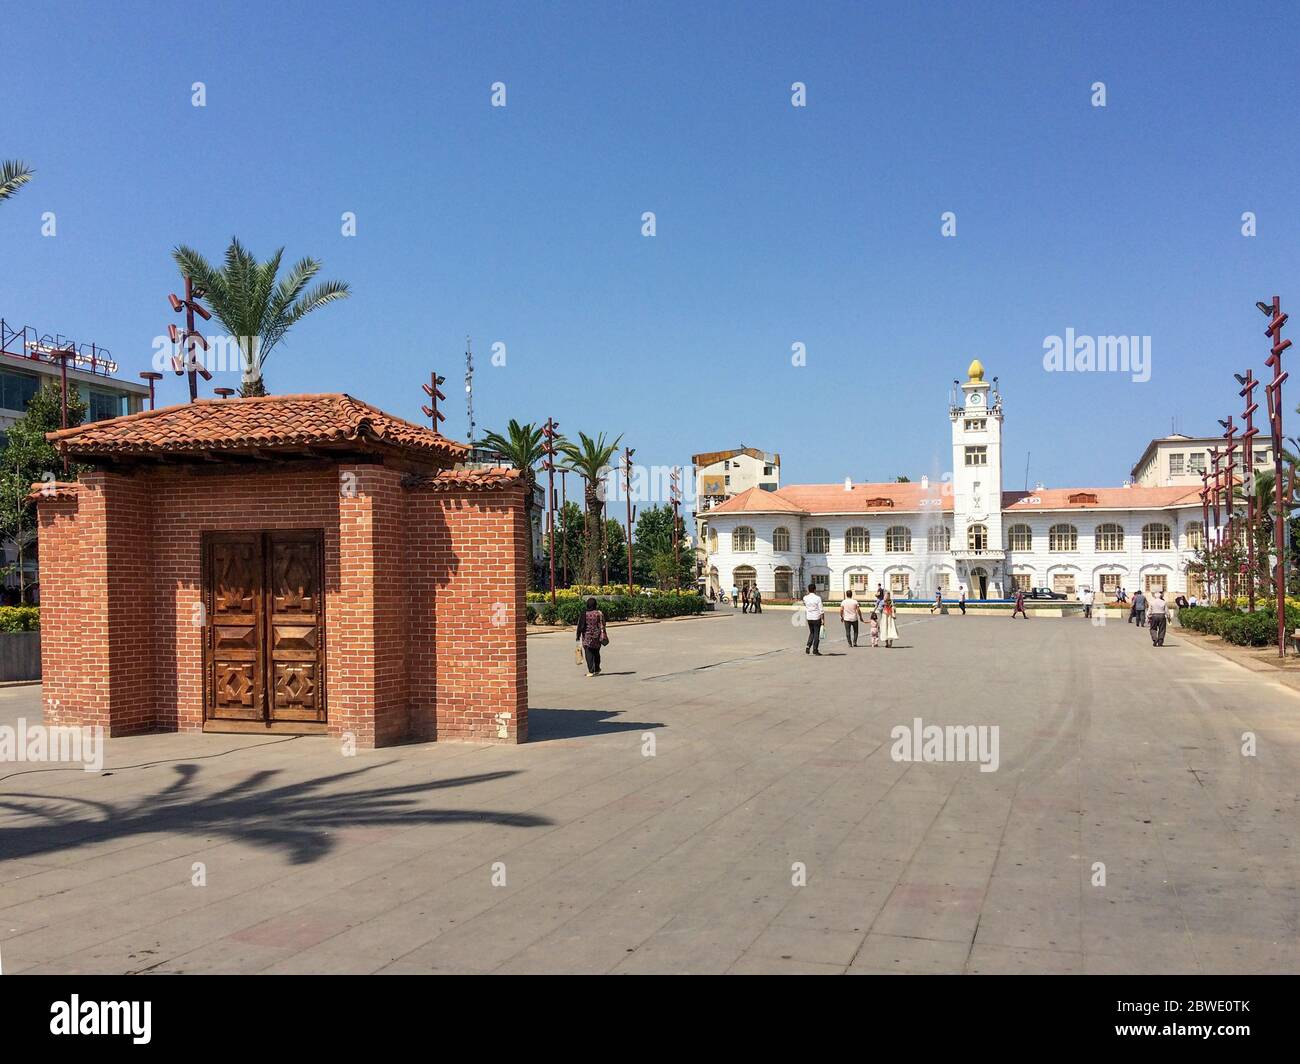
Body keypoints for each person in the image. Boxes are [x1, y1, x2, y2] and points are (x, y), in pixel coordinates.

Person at [575, 596, 608, 676]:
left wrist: (578, 635)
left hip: (587, 637)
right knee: (596, 652)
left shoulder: (584, 613)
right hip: (597, 636)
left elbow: (580, 625)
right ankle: (597, 669)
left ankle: (591, 671)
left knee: (588, 653)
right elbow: (603, 624)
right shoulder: (599, 613)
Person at [803, 582, 824, 655]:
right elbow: (821, 610)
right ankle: (815, 649)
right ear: (815, 589)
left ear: (808, 590)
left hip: (809, 617)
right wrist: (823, 619)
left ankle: (808, 646)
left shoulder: (805, 598)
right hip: (816, 617)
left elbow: (805, 605)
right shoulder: (818, 598)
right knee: (816, 634)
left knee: (811, 632)